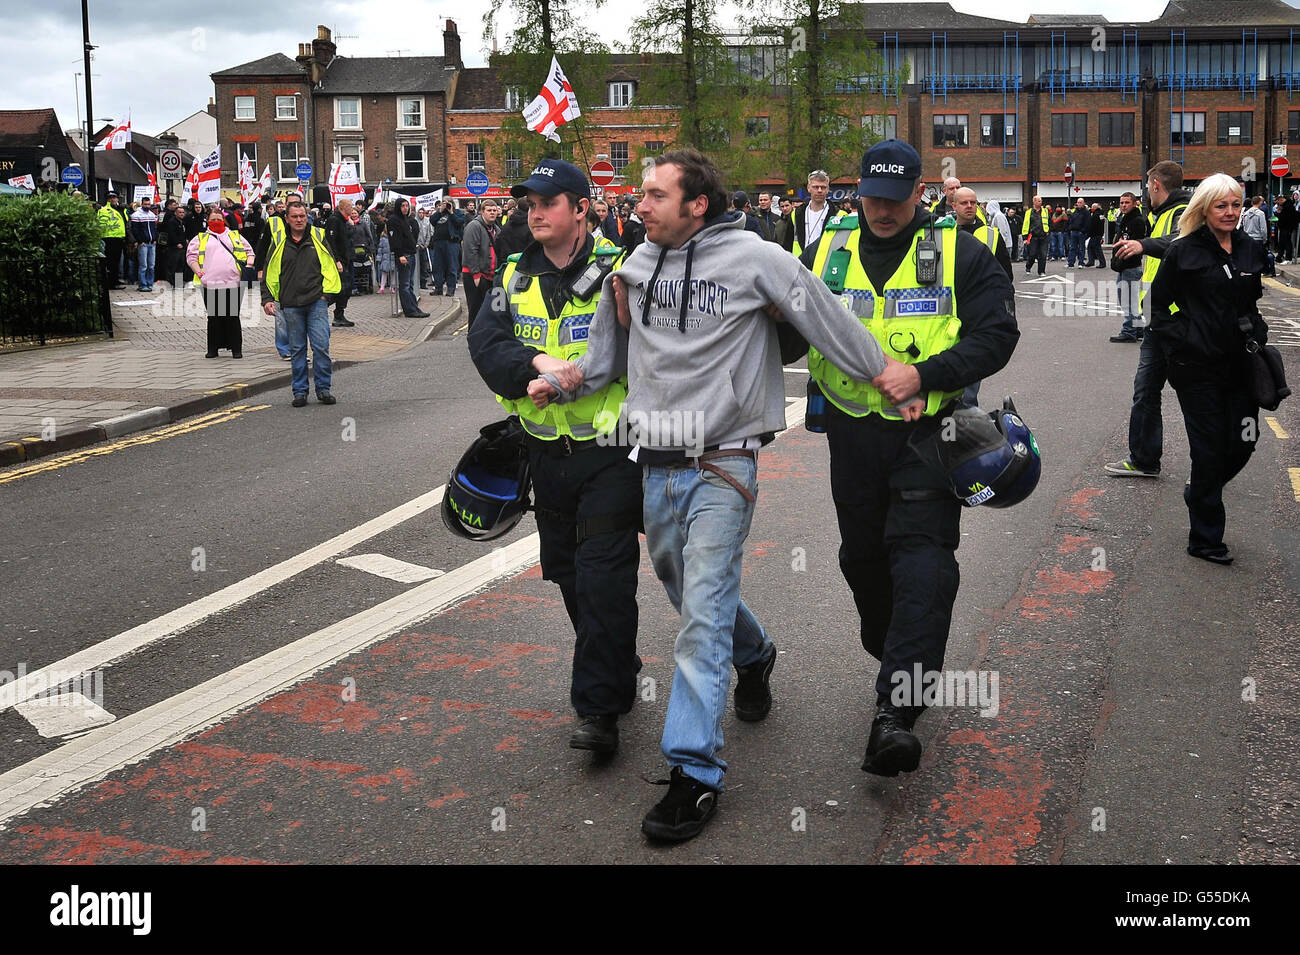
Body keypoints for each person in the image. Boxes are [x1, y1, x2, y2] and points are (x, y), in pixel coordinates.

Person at [535, 148, 899, 842]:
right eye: (640, 195)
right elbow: (609, 359)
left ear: (697, 203)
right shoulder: (634, 266)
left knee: (700, 618)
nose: (637, 205)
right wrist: (566, 376)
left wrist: (890, 373)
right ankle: (756, 653)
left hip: (724, 463)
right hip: (655, 464)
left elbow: (827, 321)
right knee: (688, 593)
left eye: (653, 195)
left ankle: (694, 771)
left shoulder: (756, 259)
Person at [789, 138, 1019, 780]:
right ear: (855, 190)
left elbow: (998, 334)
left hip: (930, 435)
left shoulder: (960, 253)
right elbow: (787, 330)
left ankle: (897, 713)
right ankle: (894, 650)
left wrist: (924, 375)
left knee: (922, 559)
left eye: (895, 198)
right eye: (871, 197)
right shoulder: (824, 251)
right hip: (851, 435)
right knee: (862, 556)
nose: (882, 210)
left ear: (922, 192)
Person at [466, 159, 643, 758]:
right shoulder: (513, 275)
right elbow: (486, 343)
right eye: (529, 204)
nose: (534, 213)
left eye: (547, 202)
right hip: (545, 455)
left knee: (603, 580)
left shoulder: (622, 268)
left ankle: (598, 710)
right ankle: (616, 661)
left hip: (609, 453)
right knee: (569, 576)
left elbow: (643, 349)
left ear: (580, 208)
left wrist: (579, 379)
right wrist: (535, 367)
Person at [1148, 174, 1267, 565]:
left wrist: (1257, 329)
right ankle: (1206, 538)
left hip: (1240, 364)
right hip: (1195, 368)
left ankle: (1200, 490)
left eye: (1236, 204)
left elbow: (1250, 300)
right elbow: (1158, 307)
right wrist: (1182, 340)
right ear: (1204, 209)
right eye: (1222, 206)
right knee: (1209, 447)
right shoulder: (1183, 251)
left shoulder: (1250, 248)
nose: (1231, 212)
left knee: (1244, 441)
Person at [1104, 161, 1192, 477]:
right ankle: (1144, 459)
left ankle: (1209, 465)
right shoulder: (1160, 214)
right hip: (1158, 319)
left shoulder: (1185, 212)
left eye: (1147, 186)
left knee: (1193, 396)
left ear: (1155, 184)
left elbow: (1181, 243)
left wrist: (1142, 245)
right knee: (1145, 390)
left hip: (1179, 322)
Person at [257, 199, 341, 406]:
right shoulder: (279, 241)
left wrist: (326, 297)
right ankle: (300, 392)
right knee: (297, 350)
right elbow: (269, 272)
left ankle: (323, 389)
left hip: (316, 302)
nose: (299, 220)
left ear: (307, 217)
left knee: (321, 347)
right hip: (291, 304)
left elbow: (332, 267)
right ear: (287, 218)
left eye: (302, 216)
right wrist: (267, 299)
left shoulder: (318, 237)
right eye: (294, 216)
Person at [188, 207, 253, 359]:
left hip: (233, 283)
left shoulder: (234, 235)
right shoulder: (200, 238)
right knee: (213, 317)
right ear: (208, 221)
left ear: (223, 220)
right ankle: (213, 349)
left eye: (218, 218)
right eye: (213, 219)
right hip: (209, 283)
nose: (216, 221)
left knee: (232, 317)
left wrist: (247, 267)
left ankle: (236, 349)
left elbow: (250, 251)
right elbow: (191, 256)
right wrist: (199, 272)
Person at [1109, 191, 1149, 343]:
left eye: (1127, 202)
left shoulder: (1136, 221)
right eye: (1122, 203)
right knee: (1128, 300)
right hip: (1126, 267)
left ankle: (1129, 331)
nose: (1124, 205)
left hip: (1130, 266)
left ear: (1134, 203)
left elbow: (1131, 246)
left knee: (1127, 300)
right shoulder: (1126, 219)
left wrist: (1118, 262)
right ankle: (1138, 328)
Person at [953, 187, 1012, 279]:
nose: (969, 206)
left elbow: (1006, 273)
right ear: (954, 206)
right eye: (964, 203)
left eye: (973, 203)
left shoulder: (992, 235)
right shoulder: (946, 233)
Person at [460, 197, 500, 326]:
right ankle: (474, 340)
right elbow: (470, 251)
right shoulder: (474, 226)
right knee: (476, 311)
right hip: (476, 275)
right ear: (482, 212)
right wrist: (476, 274)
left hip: (490, 275)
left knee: (492, 311)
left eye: (494, 210)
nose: (492, 212)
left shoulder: (496, 229)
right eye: (489, 210)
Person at [387, 198, 428, 317]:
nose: (405, 208)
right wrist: (400, 254)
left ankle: (414, 308)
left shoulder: (406, 220)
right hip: (404, 255)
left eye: (407, 206)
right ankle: (409, 310)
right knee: (404, 285)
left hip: (411, 254)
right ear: (398, 207)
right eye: (403, 206)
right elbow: (394, 239)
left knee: (410, 284)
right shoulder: (393, 221)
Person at [785, 169, 832, 256]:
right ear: (808, 188)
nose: (819, 190)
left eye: (823, 187)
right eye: (815, 187)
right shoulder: (796, 214)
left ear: (828, 189)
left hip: (825, 263)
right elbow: (787, 243)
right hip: (800, 263)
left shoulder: (838, 215)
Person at [325, 199, 356, 327]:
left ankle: (339, 314)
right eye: (349, 206)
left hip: (346, 259)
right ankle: (321, 307)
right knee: (341, 289)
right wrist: (336, 260)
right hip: (339, 261)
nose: (352, 209)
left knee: (346, 288)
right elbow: (331, 241)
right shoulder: (334, 220)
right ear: (342, 207)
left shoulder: (343, 221)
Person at [429, 199, 465, 296]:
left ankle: (451, 289)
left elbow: (459, 222)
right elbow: (432, 221)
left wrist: (451, 212)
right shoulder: (439, 213)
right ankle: (438, 288)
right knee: (438, 266)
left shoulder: (458, 213)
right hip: (438, 242)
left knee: (451, 266)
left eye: (447, 203)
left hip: (452, 243)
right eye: (443, 203)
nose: (445, 204)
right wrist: (440, 211)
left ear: (452, 204)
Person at [96, 192, 128, 290]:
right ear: (109, 199)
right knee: (111, 262)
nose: (115, 200)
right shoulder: (104, 210)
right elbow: (101, 224)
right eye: (113, 198)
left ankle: (115, 280)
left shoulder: (120, 209)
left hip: (119, 238)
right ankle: (112, 283)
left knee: (117, 262)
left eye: (116, 198)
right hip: (109, 238)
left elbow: (125, 221)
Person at [1240, 195, 1274, 277]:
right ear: (1260, 203)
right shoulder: (1260, 213)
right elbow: (1263, 229)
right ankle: (1257, 277)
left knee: (1250, 259)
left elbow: (1244, 226)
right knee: (1258, 260)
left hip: (1248, 238)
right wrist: (1265, 239)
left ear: (1252, 202)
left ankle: (1250, 276)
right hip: (1258, 239)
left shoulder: (1245, 214)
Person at [130, 198, 159, 292]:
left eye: (148, 204)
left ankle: (150, 283)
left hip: (151, 243)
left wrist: (155, 239)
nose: (147, 206)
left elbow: (154, 228)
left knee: (151, 265)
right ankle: (143, 284)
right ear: (141, 204)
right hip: (143, 243)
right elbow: (135, 230)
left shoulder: (151, 215)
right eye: (145, 204)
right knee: (143, 265)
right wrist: (139, 241)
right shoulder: (136, 215)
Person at [493, 196, 533, 266]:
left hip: (507, 268)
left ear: (517, 207)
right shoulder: (532, 228)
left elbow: (497, 246)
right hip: (526, 269)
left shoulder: (506, 226)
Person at [1021, 195, 1050, 275]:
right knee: (1032, 254)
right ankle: (1028, 266)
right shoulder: (1029, 212)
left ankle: (1041, 271)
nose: (1041, 202)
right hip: (1033, 236)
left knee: (1043, 255)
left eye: (1041, 201)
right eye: (1039, 201)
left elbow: (1049, 222)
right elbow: (1025, 225)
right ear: (1034, 202)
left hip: (1043, 236)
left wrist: (1048, 232)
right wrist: (1025, 238)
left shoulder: (1045, 211)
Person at [1067, 197, 1090, 267]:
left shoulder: (1086, 212)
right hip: (1074, 232)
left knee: (1081, 248)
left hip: (1081, 232)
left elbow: (1087, 223)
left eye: (1080, 202)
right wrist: (1070, 228)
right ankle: (1070, 263)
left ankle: (1080, 262)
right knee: (1072, 248)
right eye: (1078, 202)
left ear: (1083, 203)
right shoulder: (1075, 211)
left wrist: (1083, 231)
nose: (1079, 204)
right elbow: (1071, 220)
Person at [1086, 203, 1107, 268]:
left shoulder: (1095, 215)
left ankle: (1100, 263)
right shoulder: (1101, 214)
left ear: (1094, 208)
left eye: (1092, 208)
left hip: (1095, 234)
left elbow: (1093, 225)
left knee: (1095, 248)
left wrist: (1089, 234)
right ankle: (1092, 261)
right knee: (1093, 247)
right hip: (1099, 234)